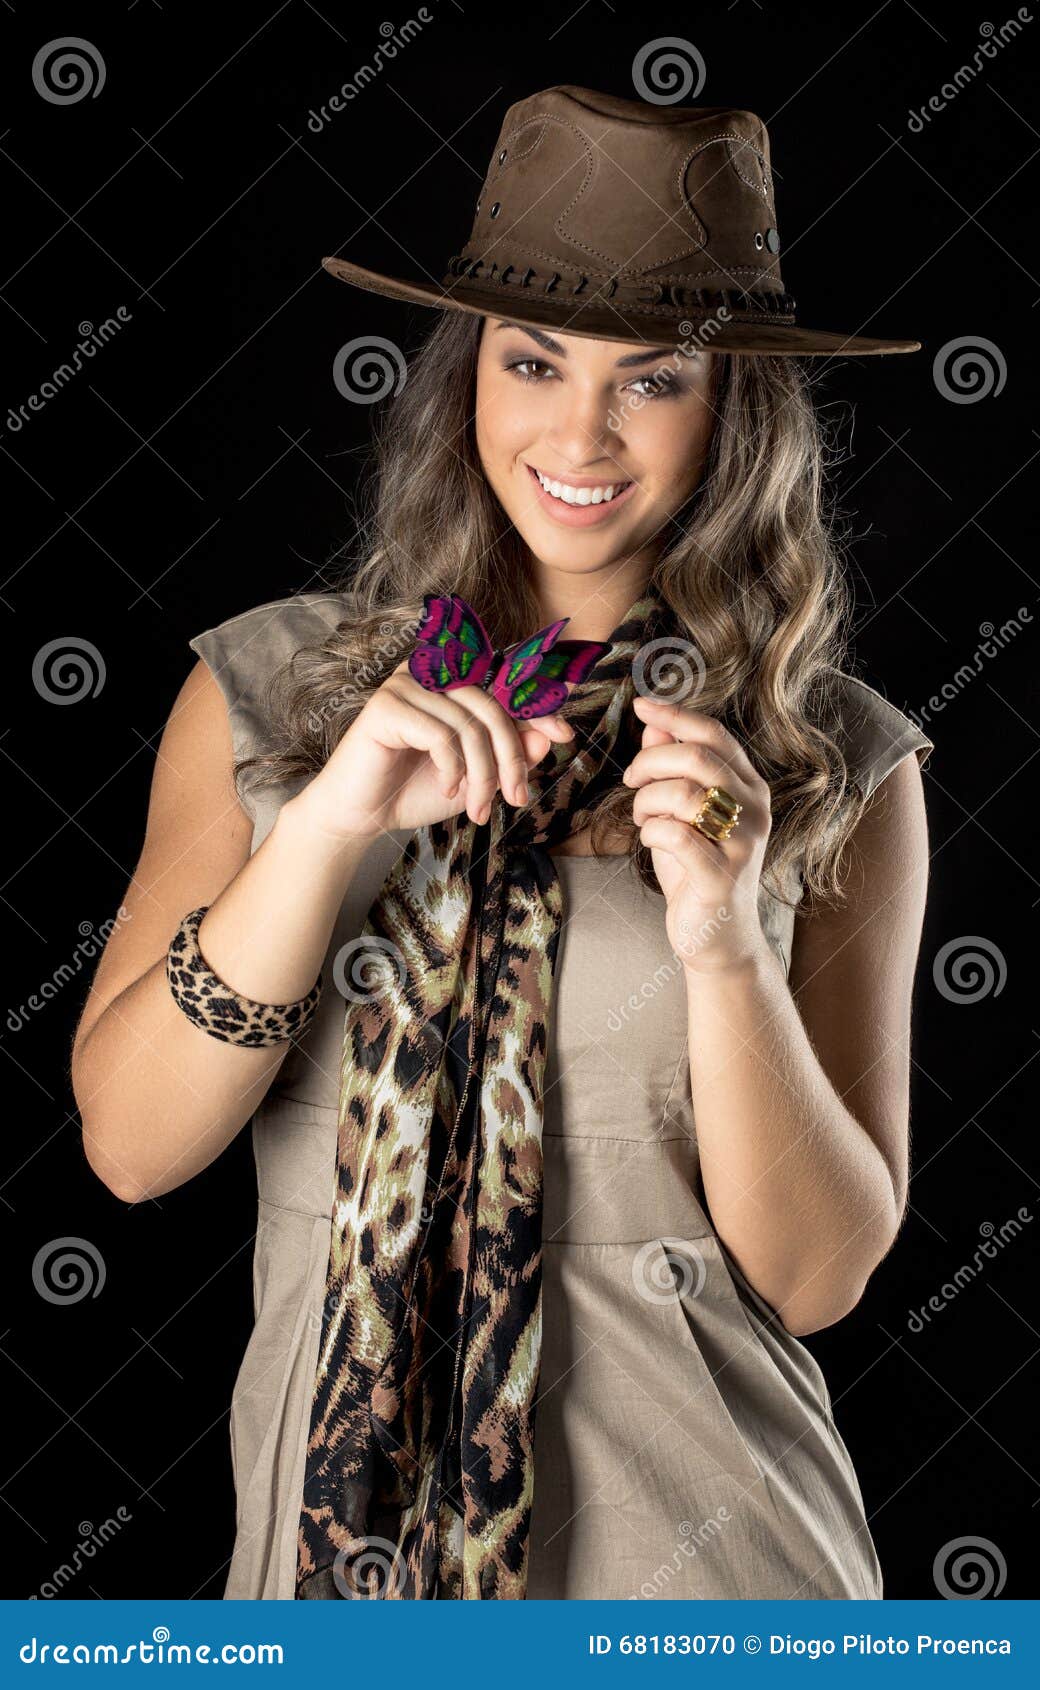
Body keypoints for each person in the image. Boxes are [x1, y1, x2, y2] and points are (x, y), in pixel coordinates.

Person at [72, 86, 933, 1601]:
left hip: (720, 1591)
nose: (580, 432)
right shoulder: (269, 696)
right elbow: (133, 1150)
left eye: (652, 381)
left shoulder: (827, 759)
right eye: (533, 362)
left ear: (734, 409)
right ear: (466, 376)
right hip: (343, 1598)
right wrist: (328, 823)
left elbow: (816, 1278)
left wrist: (725, 942)